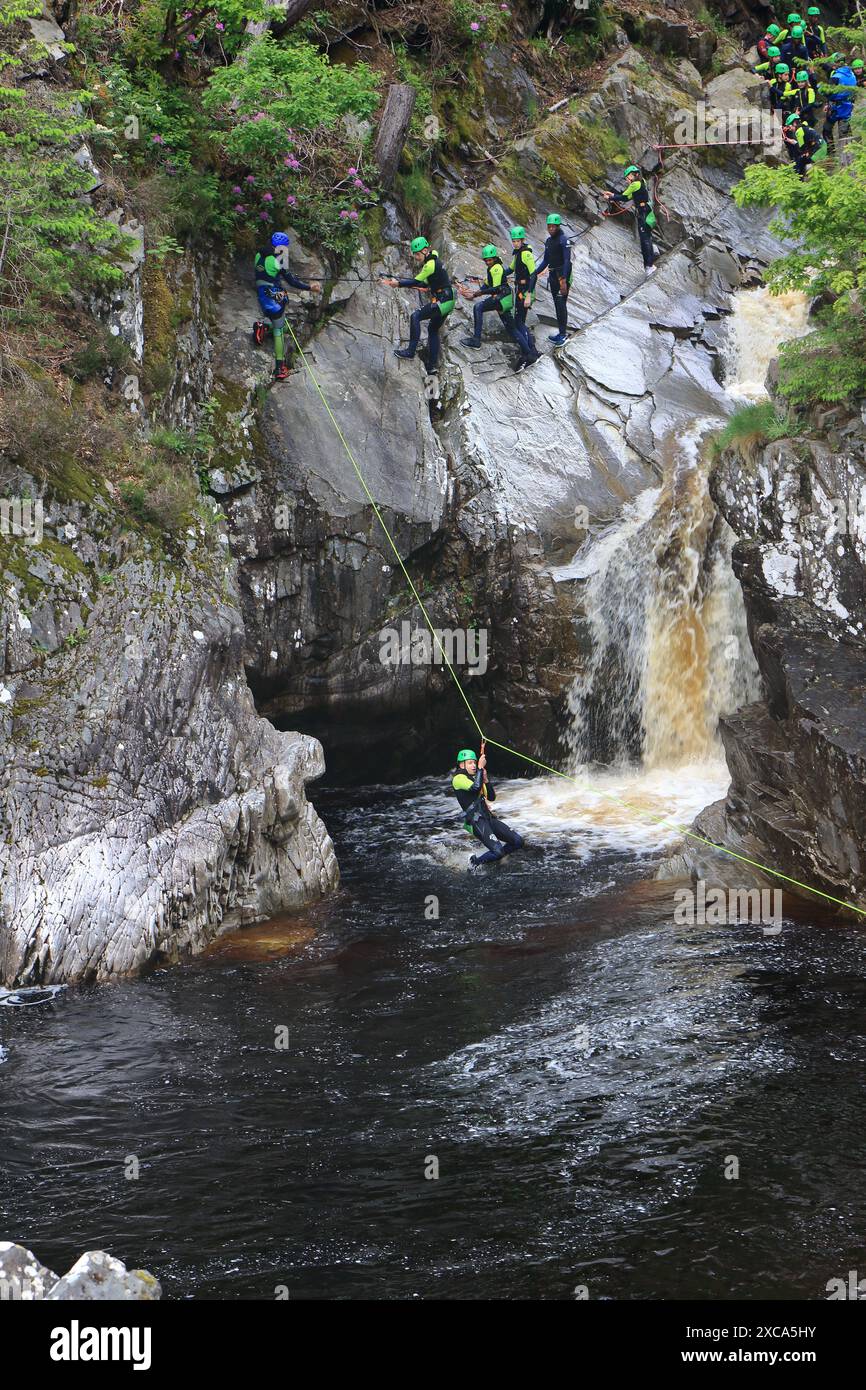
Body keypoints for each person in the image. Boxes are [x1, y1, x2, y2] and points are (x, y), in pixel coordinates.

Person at [253, 232, 322, 381]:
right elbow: (291, 281)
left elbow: (267, 273)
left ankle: (264, 327)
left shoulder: (259, 254)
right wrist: (310, 287)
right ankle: (279, 367)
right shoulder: (279, 258)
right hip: (274, 297)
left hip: (262, 293)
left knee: (282, 325)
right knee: (279, 330)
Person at [381, 236, 456, 372]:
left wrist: (397, 283)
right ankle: (431, 366)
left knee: (415, 316)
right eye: (414, 254)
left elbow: (416, 281)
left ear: (425, 250)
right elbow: (423, 283)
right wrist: (406, 283)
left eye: (417, 253)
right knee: (433, 330)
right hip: (448, 301)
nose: (416, 256)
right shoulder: (433, 261)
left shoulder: (429, 265)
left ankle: (410, 352)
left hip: (442, 301)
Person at [457, 244, 537, 368]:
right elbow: (487, 284)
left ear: (494, 258)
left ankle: (476, 340)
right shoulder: (493, 268)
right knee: (512, 328)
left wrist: (480, 293)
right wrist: (474, 294)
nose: (488, 262)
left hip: (500, 298)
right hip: (504, 299)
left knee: (478, 307)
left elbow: (495, 289)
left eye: (490, 260)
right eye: (486, 260)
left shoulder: (496, 269)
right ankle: (529, 354)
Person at [450, 746, 524, 867]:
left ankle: (494, 856)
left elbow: (491, 797)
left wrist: (486, 779)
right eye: (470, 763)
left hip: (488, 818)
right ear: (462, 765)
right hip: (476, 822)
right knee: (498, 852)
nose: (473, 765)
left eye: (474, 762)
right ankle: (474, 863)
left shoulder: (475, 779)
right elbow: (475, 788)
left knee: (518, 841)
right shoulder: (458, 778)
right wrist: (480, 768)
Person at [601, 164, 657, 274]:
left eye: (628, 177)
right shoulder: (642, 182)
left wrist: (610, 197)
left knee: (644, 240)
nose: (627, 179)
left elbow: (623, 197)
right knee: (647, 238)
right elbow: (629, 196)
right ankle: (651, 263)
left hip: (643, 212)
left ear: (633, 175)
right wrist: (612, 194)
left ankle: (648, 266)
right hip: (646, 210)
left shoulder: (634, 184)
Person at [531, 212, 572, 346]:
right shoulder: (549, 241)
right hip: (553, 275)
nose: (551, 229)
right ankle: (560, 332)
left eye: (553, 226)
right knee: (557, 304)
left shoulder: (563, 240)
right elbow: (546, 261)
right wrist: (535, 273)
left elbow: (567, 260)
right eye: (549, 226)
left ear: (558, 226)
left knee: (561, 303)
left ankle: (563, 334)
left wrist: (564, 279)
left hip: (562, 275)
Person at [508, 227, 541, 371]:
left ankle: (529, 354)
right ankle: (531, 351)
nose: (515, 243)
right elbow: (510, 269)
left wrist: (528, 294)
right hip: (520, 290)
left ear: (522, 240)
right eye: (513, 241)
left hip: (526, 291)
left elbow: (533, 274)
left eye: (517, 241)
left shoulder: (526, 254)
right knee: (520, 321)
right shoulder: (517, 254)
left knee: (519, 322)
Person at [822, 59, 857, 151]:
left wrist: (820, 89)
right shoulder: (851, 74)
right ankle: (851, 152)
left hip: (835, 107)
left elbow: (828, 92)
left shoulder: (836, 77)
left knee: (827, 129)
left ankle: (831, 152)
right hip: (847, 106)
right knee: (845, 132)